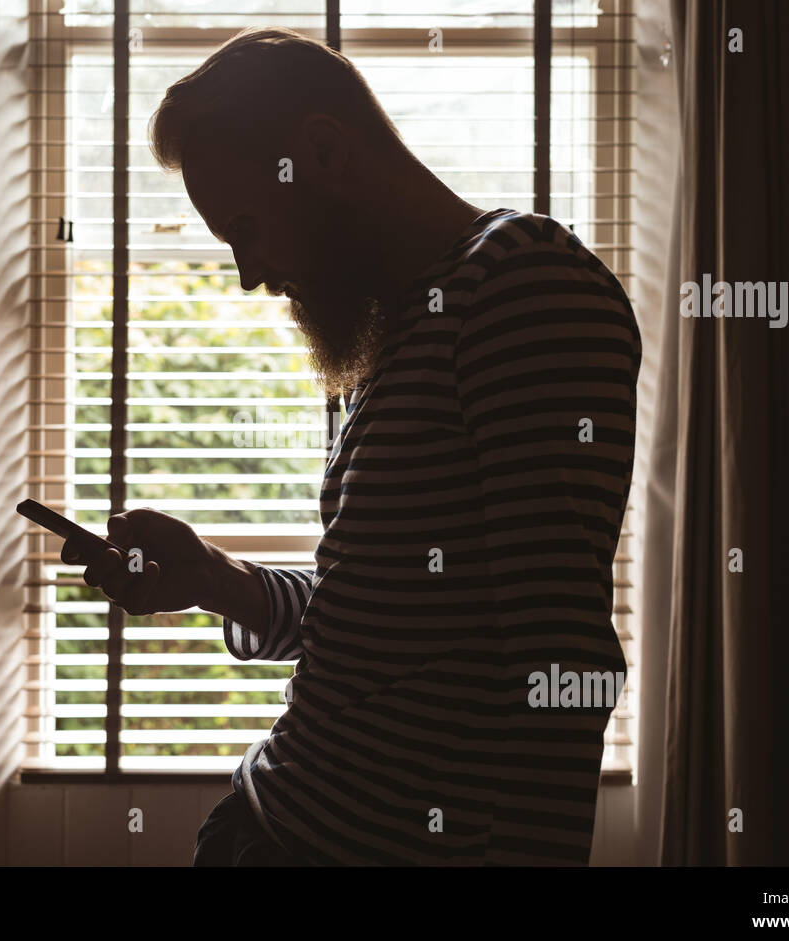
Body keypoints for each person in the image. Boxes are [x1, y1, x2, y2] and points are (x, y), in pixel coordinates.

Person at [71, 27, 641, 865]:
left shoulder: (524, 288)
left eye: (244, 228)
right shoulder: (407, 324)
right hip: (270, 822)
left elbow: (561, 665)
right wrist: (213, 580)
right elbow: (383, 620)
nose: (249, 274)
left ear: (323, 150)